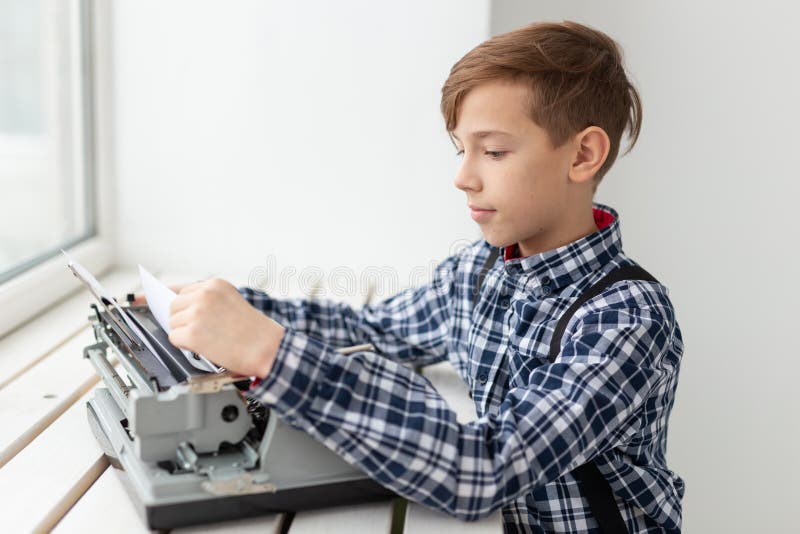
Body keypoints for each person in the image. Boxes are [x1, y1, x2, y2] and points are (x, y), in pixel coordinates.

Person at [148, 21, 685, 533]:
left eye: (493, 151)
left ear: (583, 154)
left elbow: (484, 468)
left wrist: (270, 353)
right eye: (461, 150)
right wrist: (228, 308)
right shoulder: (477, 272)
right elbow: (375, 330)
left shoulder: (625, 317)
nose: (463, 177)